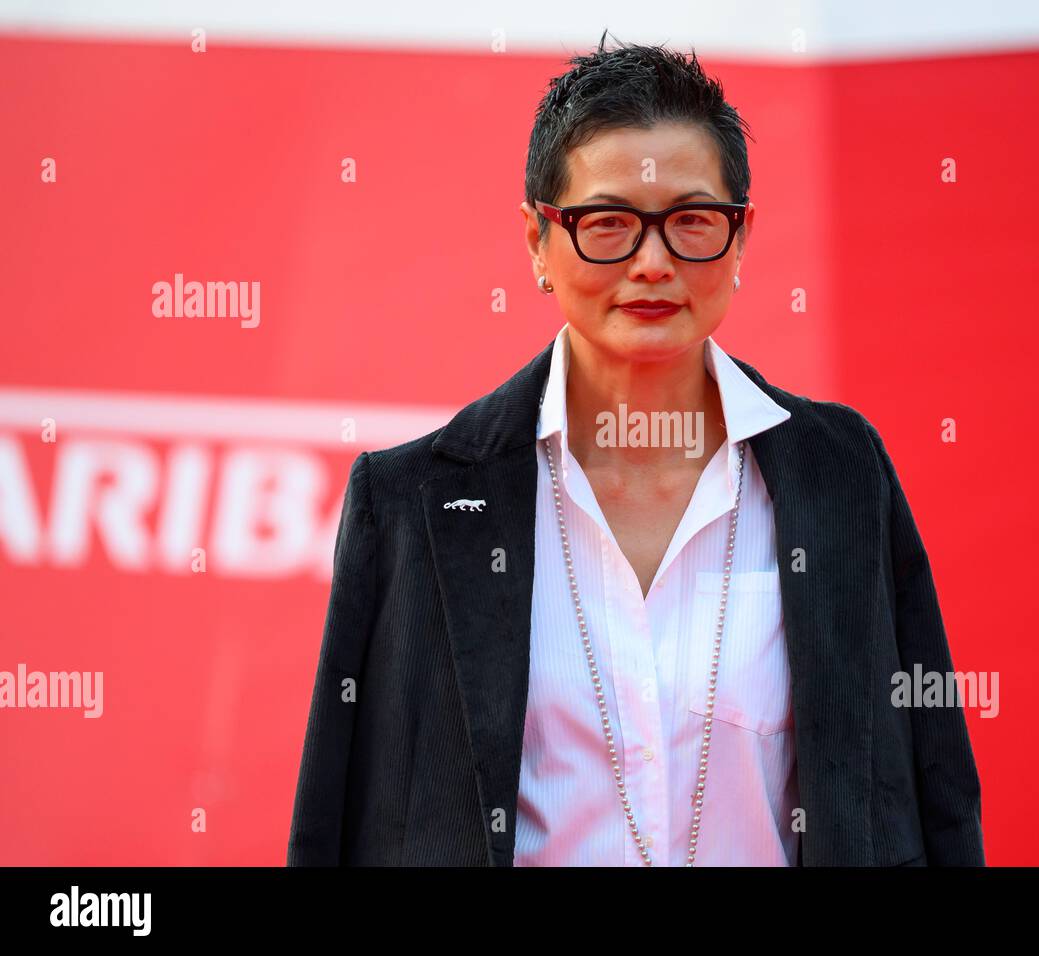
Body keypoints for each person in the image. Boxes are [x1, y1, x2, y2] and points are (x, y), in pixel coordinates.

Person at [287, 32, 984, 867]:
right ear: (538, 242)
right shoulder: (410, 505)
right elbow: (335, 818)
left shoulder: (840, 473)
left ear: (740, 238)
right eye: (608, 224)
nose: (652, 263)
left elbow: (935, 788)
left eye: (692, 221)